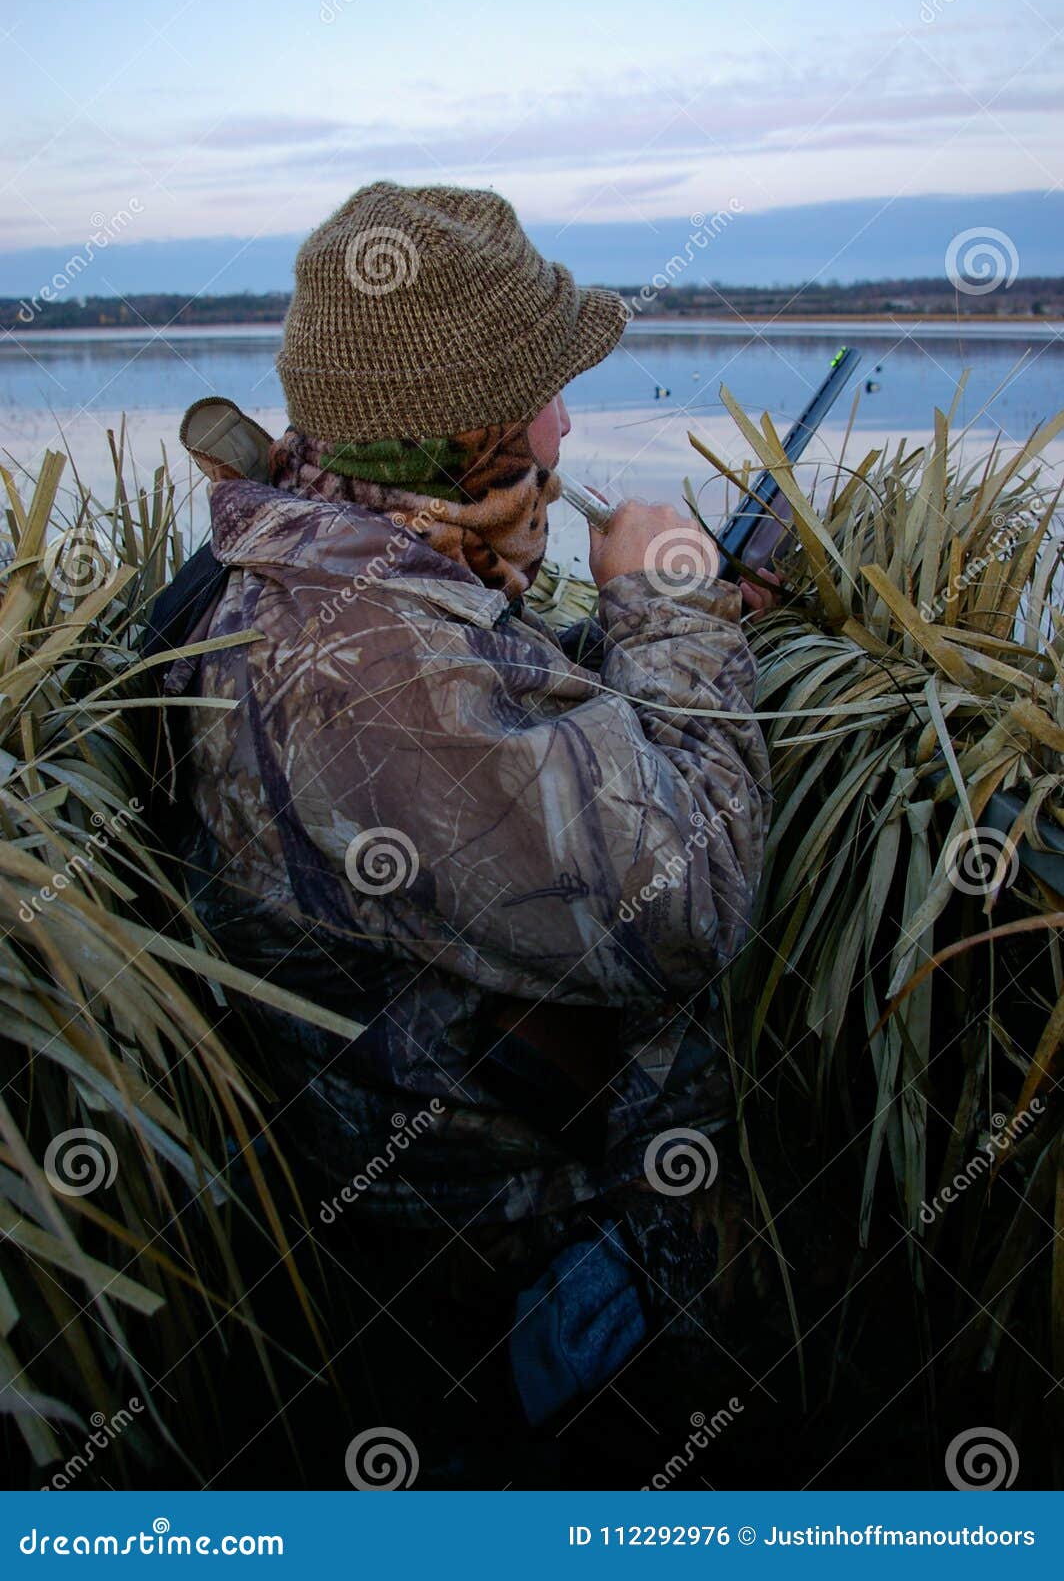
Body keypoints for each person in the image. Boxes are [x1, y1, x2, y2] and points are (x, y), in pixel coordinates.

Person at [162, 182, 773, 1448]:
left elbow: (505, 719)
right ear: (466, 427)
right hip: (512, 1279)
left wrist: (644, 625)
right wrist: (670, 621)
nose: (563, 423)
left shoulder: (338, 561)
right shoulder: (365, 674)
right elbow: (689, 899)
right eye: (541, 393)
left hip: (505, 1227)